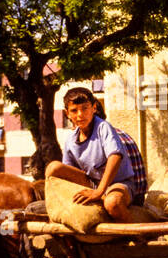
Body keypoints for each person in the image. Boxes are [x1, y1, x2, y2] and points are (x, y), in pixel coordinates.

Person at [45, 86, 147, 222]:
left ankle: (137, 235)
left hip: (118, 184)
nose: (80, 115)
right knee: (53, 167)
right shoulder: (71, 139)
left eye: (85, 108)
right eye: (74, 111)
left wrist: (99, 192)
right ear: (67, 113)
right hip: (92, 182)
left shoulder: (103, 127)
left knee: (112, 203)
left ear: (93, 108)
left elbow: (115, 156)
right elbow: (68, 172)